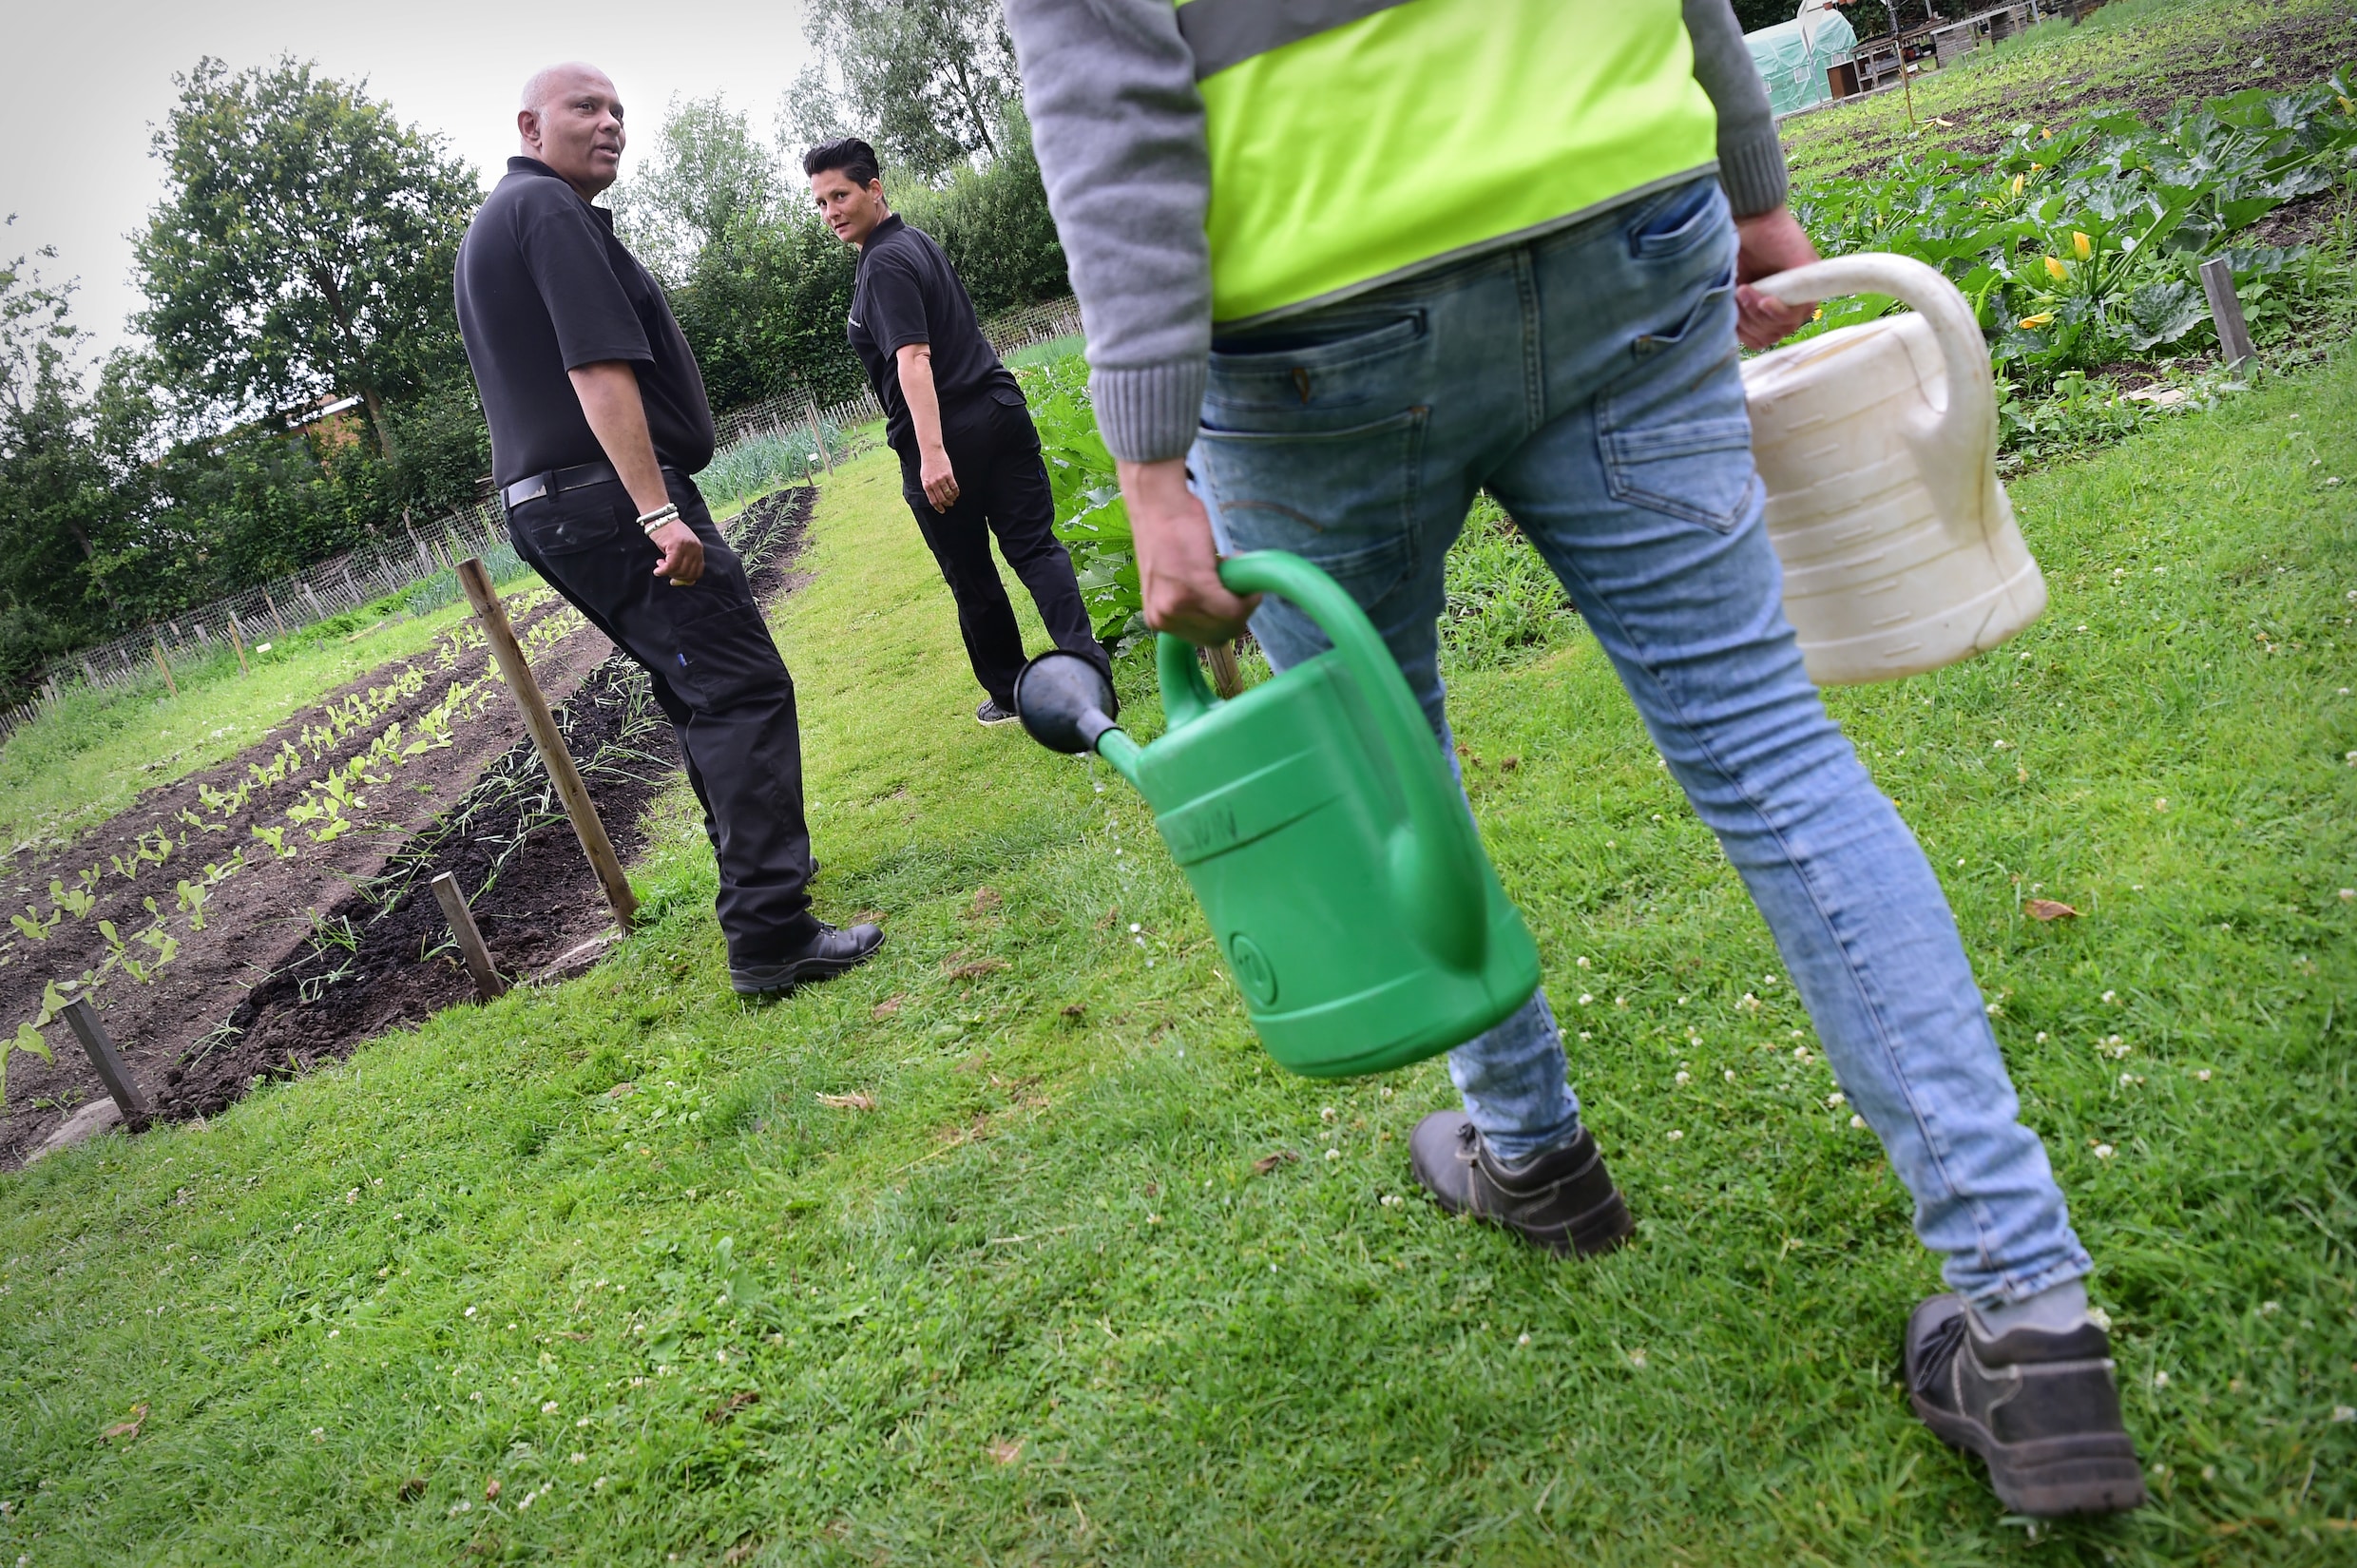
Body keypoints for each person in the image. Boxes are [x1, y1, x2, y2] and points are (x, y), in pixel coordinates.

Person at [1001, 0, 2144, 1520]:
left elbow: (1110, 106)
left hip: (1314, 325)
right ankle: (2032, 1319)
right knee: (1767, 747)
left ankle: (1537, 1158)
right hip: (1621, 218)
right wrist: (1758, 194)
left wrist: (1148, 458)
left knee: (1393, 759)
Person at [453, 63, 883, 998]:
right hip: (607, 498)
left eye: (617, 110)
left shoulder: (506, 220)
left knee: (701, 688)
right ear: (530, 124)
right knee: (741, 685)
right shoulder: (545, 213)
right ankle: (770, 934)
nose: (609, 123)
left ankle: (762, 890)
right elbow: (595, 366)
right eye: (586, 109)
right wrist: (655, 509)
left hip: (554, 503)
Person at [805, 137, 1114, 726]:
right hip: (999, 409)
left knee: (972, 576)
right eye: (820, 202)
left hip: (952, 434)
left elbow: (915, 358)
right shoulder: (914, 242)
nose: (831, 212)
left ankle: (1012, 691)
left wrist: (932, 452)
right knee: (1035, 547)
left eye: (840, 195)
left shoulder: (883, 264)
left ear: (874, 189)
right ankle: (1088, 669)